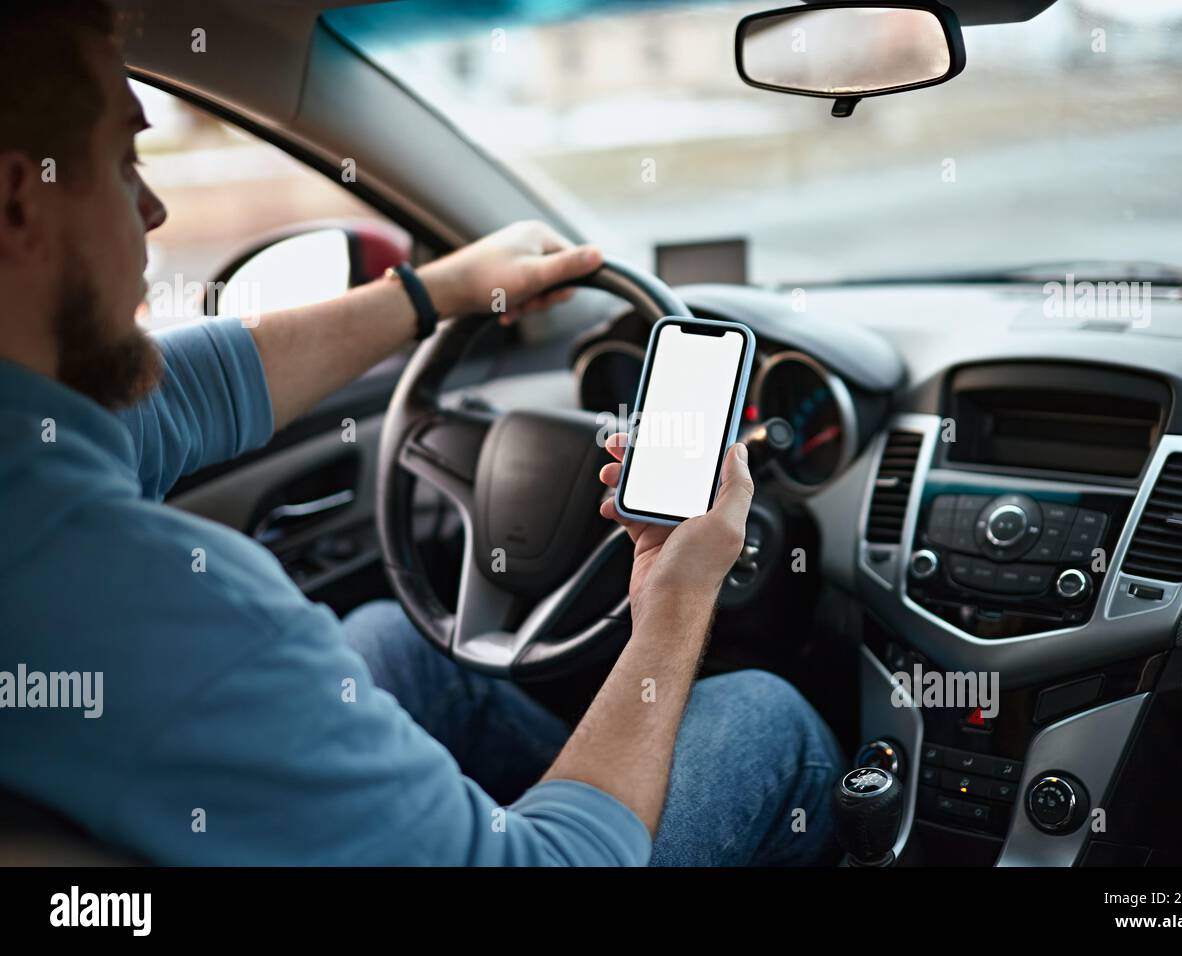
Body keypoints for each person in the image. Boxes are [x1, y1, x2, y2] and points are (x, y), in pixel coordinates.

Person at [0, 1, 843, 866]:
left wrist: (437, 291)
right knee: (766, 717)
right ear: (19, 202)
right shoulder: (161, 609)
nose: (153, 211)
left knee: (405, 646)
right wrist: (674, 597)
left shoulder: (30, 454)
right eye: (123, 159)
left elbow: (184, 394)